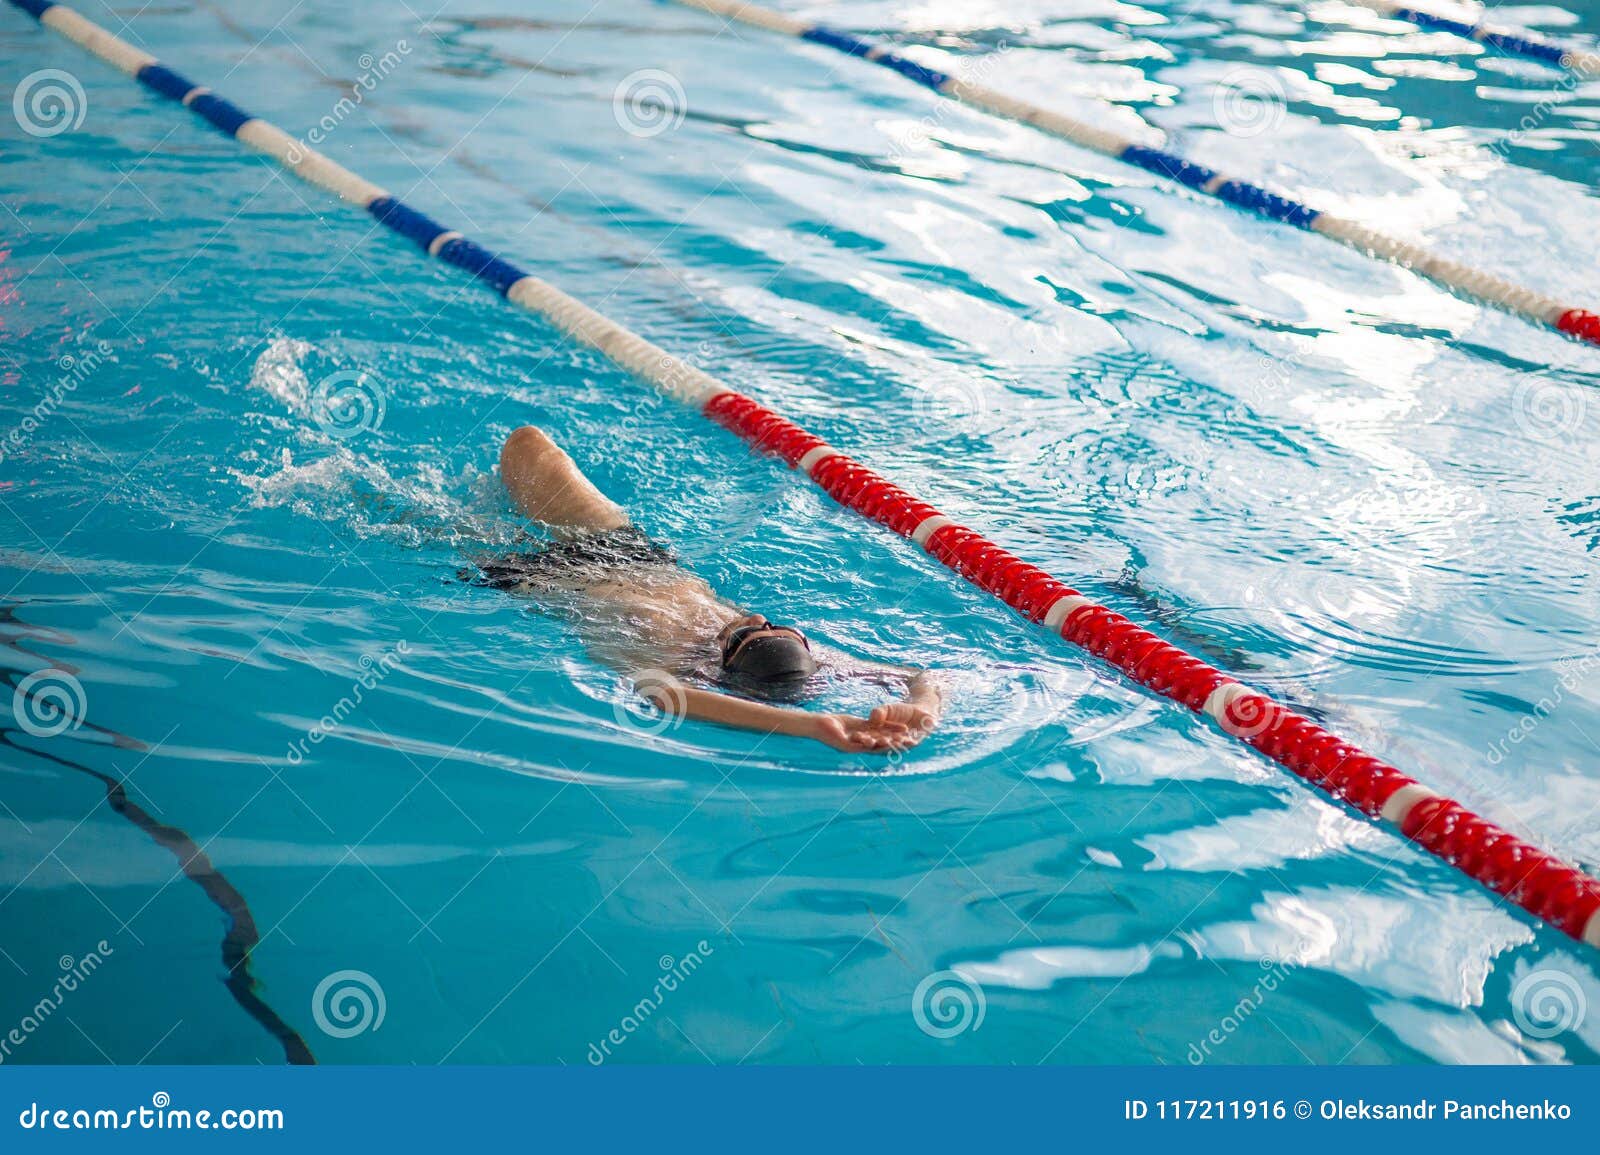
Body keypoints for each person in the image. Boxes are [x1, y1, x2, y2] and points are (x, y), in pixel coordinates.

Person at [472, 426, 944, 754]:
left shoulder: (670, 668)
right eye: (776, 627)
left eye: (742, 637)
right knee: (528, 444)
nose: (757, 621)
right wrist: (920, 712)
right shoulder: (817, 663)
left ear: (719, 666)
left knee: (419, 521)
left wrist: (813, 726)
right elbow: (922, 675)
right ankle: (490, 497)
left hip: (544, 578)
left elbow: (659, 696)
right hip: (635, 557)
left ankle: (472, 508)